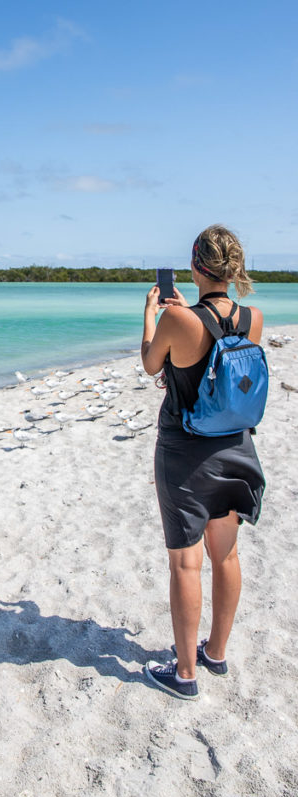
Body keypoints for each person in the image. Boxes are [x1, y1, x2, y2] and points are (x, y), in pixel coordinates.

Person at [140, 224, 265, 700]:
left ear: (195, 267)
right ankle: (216, 652)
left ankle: (185, 674)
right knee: (226, 555)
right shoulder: (252, 318)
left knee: (186, 564)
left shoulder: (179, 320)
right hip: (236, 447)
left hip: (185, 454)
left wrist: (151, 315)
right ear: (233, 269)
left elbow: (153, 364)